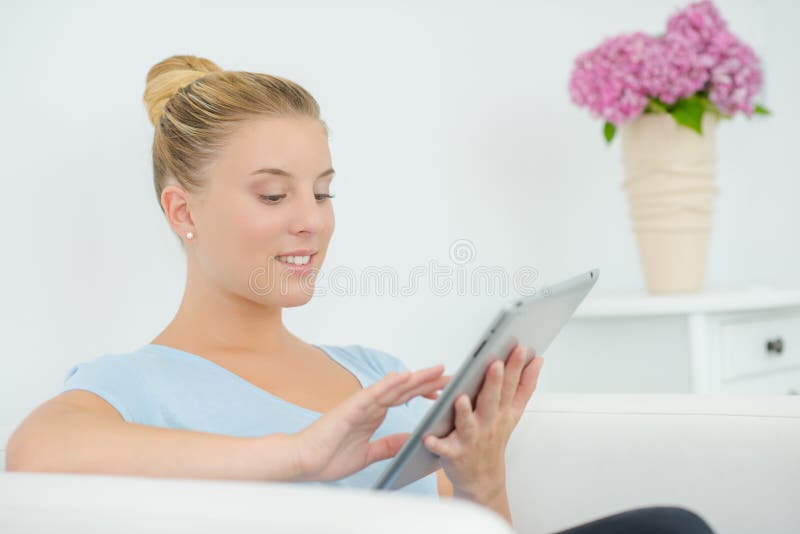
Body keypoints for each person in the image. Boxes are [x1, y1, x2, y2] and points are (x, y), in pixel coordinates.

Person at [6, 55, 713, 533]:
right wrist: (298, 456)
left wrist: (481, 481)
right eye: (273, 193)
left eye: (322, 190)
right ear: (183, 212)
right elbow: (32, 454)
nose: (311, 218)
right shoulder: (135, 385)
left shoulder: (373, 374)